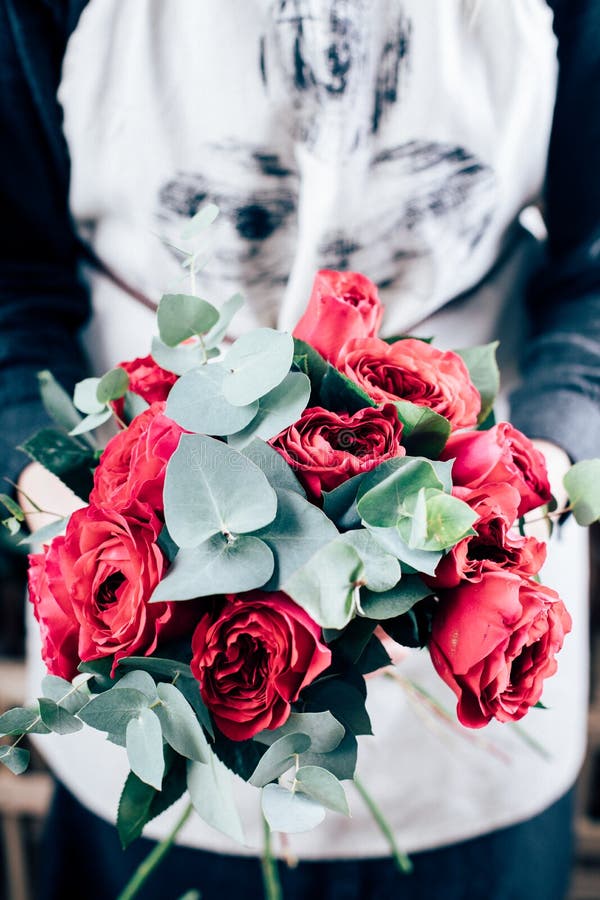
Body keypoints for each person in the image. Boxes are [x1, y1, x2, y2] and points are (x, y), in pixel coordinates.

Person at [1, 1, 599, 898]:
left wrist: (535, 474)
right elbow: (10, 269)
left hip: (474, 654)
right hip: (148, 633)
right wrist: (85, 521)